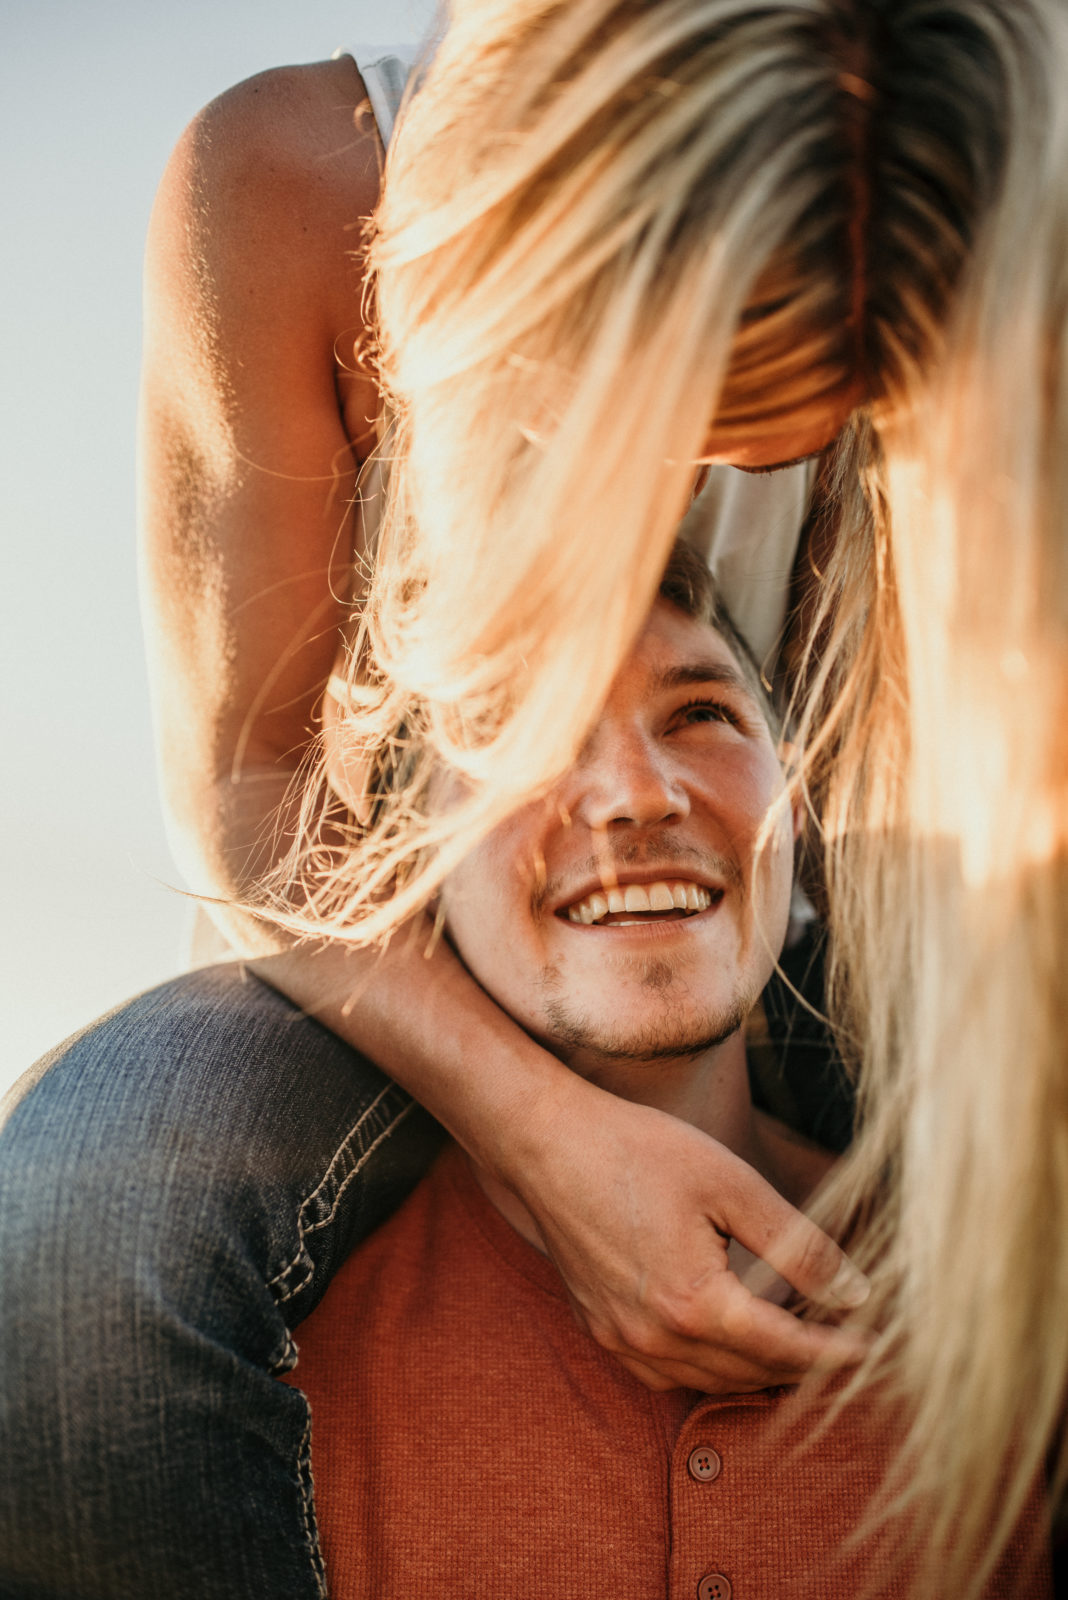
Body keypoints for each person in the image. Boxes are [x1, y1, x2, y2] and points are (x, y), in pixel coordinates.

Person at [2, 1, 1066, 1595]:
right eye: (706, 406)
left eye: (822, 417)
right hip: (366, 931)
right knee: (83, 1222)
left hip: (786, 892)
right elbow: (255, 780)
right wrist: (552, 1148)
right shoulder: (294, 181)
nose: (746, 471)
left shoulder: (910, 223)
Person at [287, 545, 1049, 1598]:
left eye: (700, 714)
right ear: (418, 863)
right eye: (529, 735)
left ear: (798, 801)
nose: (637, 797)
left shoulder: (1014, 1333)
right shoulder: (281, 1382)